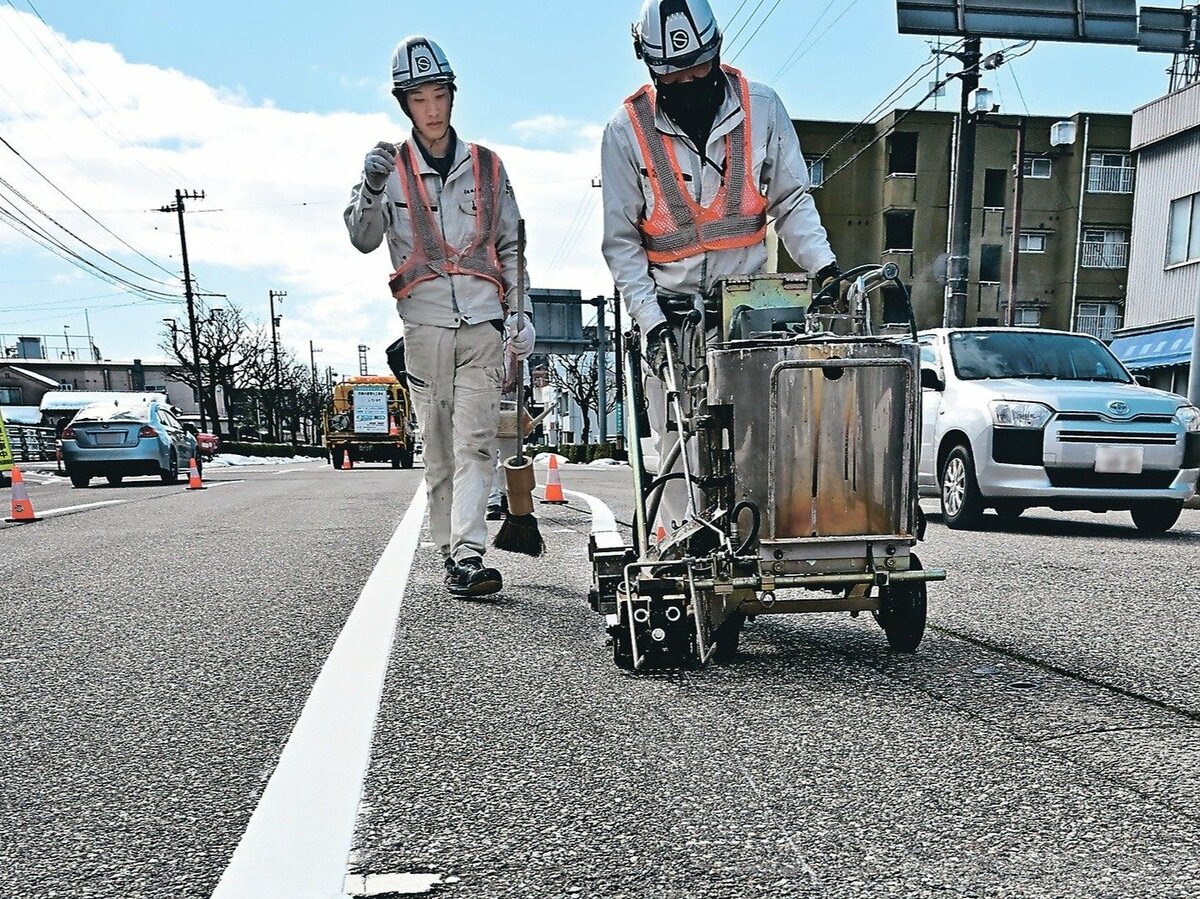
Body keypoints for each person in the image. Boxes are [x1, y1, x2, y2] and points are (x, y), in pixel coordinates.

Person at [601, 0, 841, 533]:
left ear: (717, 52)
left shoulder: (763, 109)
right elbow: (621, 242)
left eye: (699, 70)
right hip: (672, 314)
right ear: (650, 69)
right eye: (674, 76)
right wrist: (648, 319)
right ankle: (679, 552)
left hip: (747, 310)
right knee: (679, 441)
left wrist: (825, 268)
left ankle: (754, 543)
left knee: (759, 432)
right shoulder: (626, 131)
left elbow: (792, 201)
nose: (690, 82)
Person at [345, 35, 535, 597]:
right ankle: (449, 546)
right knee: (439, 442)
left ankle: (470, 555)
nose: (432, 109)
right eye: (419, 98)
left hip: (482, 324)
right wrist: (370, 187)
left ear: (453, 97)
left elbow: (513, 245)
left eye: (439, 95)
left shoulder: (488, 166)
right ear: (404, 104)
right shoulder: (389, 170)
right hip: (424, 325)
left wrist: (520, 316)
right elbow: (362, 238)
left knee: (476, 440)